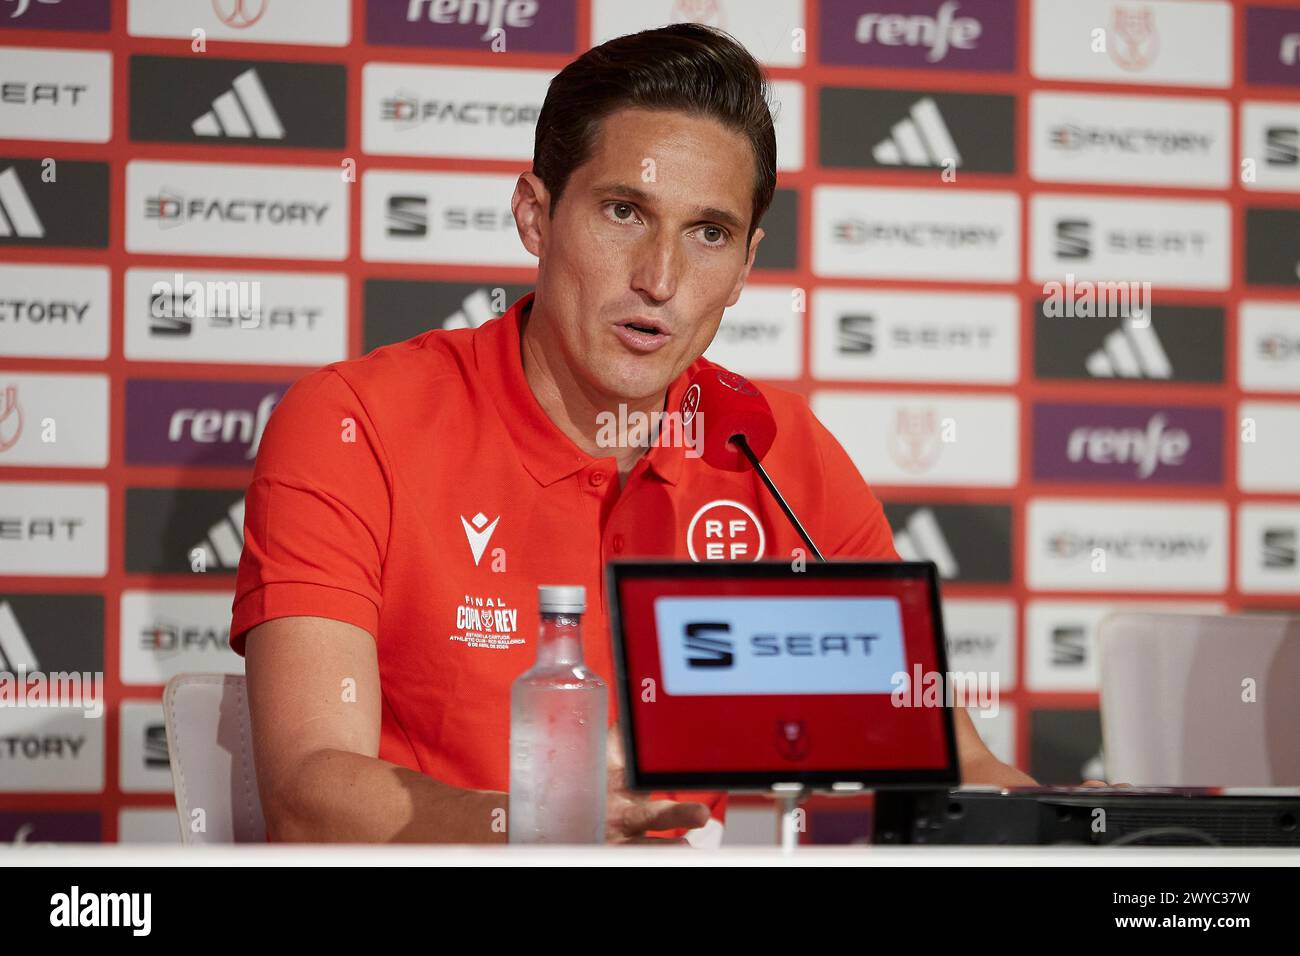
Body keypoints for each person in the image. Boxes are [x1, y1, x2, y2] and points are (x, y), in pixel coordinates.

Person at [231, 22, 1035, 846]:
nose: (660, 279)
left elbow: (954, 761)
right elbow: (309, 789)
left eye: (708, 233)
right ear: (535, 215)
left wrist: (1095, 825)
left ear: (747, 266)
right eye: (624, 212)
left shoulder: (773, 447)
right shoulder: (355, 422)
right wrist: (539, 823)